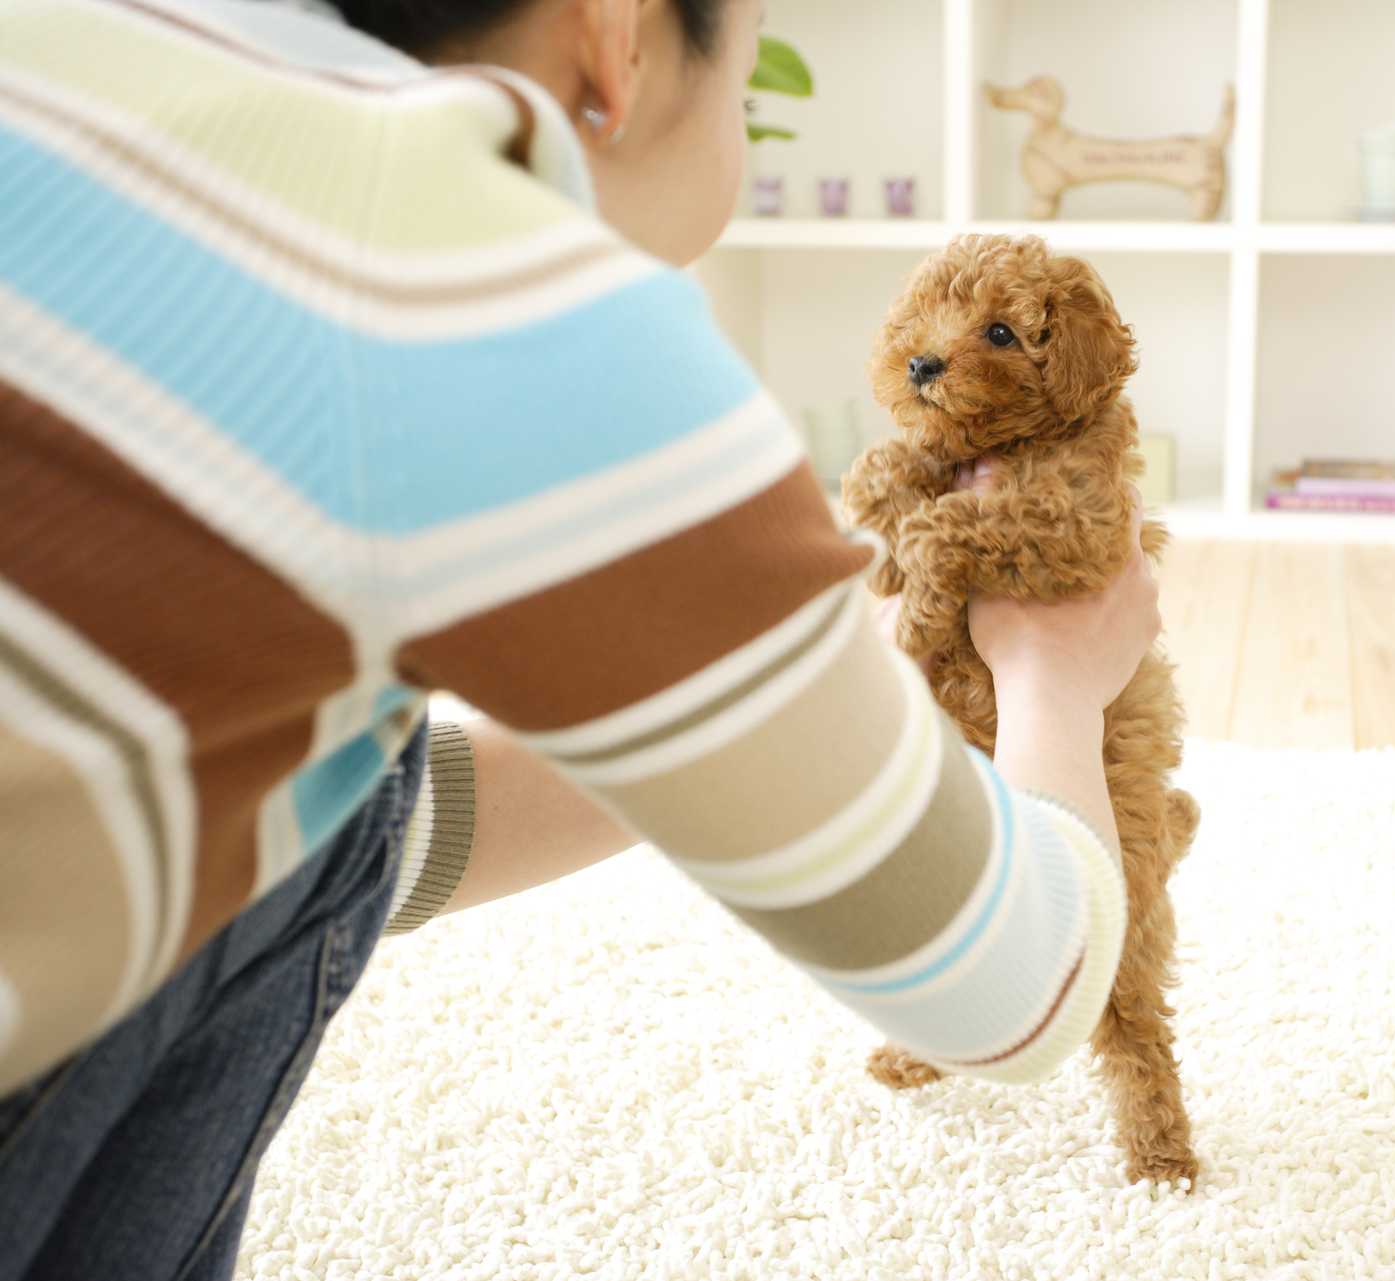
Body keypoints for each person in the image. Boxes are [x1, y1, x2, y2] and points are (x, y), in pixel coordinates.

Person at [0, 0, 1163, 1275]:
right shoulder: (500, 285)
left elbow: (324, 813)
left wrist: (732, 724)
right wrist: (1059, 679)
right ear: (618, 43)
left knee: (290, 782)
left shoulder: (60, 63)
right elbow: (1016, 994)